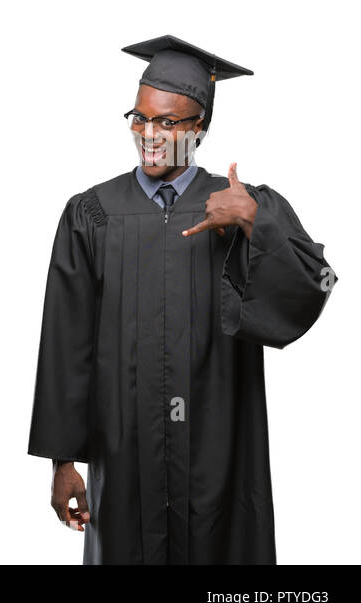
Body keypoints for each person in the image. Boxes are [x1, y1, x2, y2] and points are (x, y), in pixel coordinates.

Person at [28, 35, 335, 564]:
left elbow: (315, 282)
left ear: (200, 128)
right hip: (123, 449)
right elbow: (66, 341)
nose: (149, 134)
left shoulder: (239, 204)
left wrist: (255, 220)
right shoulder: (93, 214)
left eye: (168, 123)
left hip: (220, 448)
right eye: (139, 118)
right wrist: (62, 461)